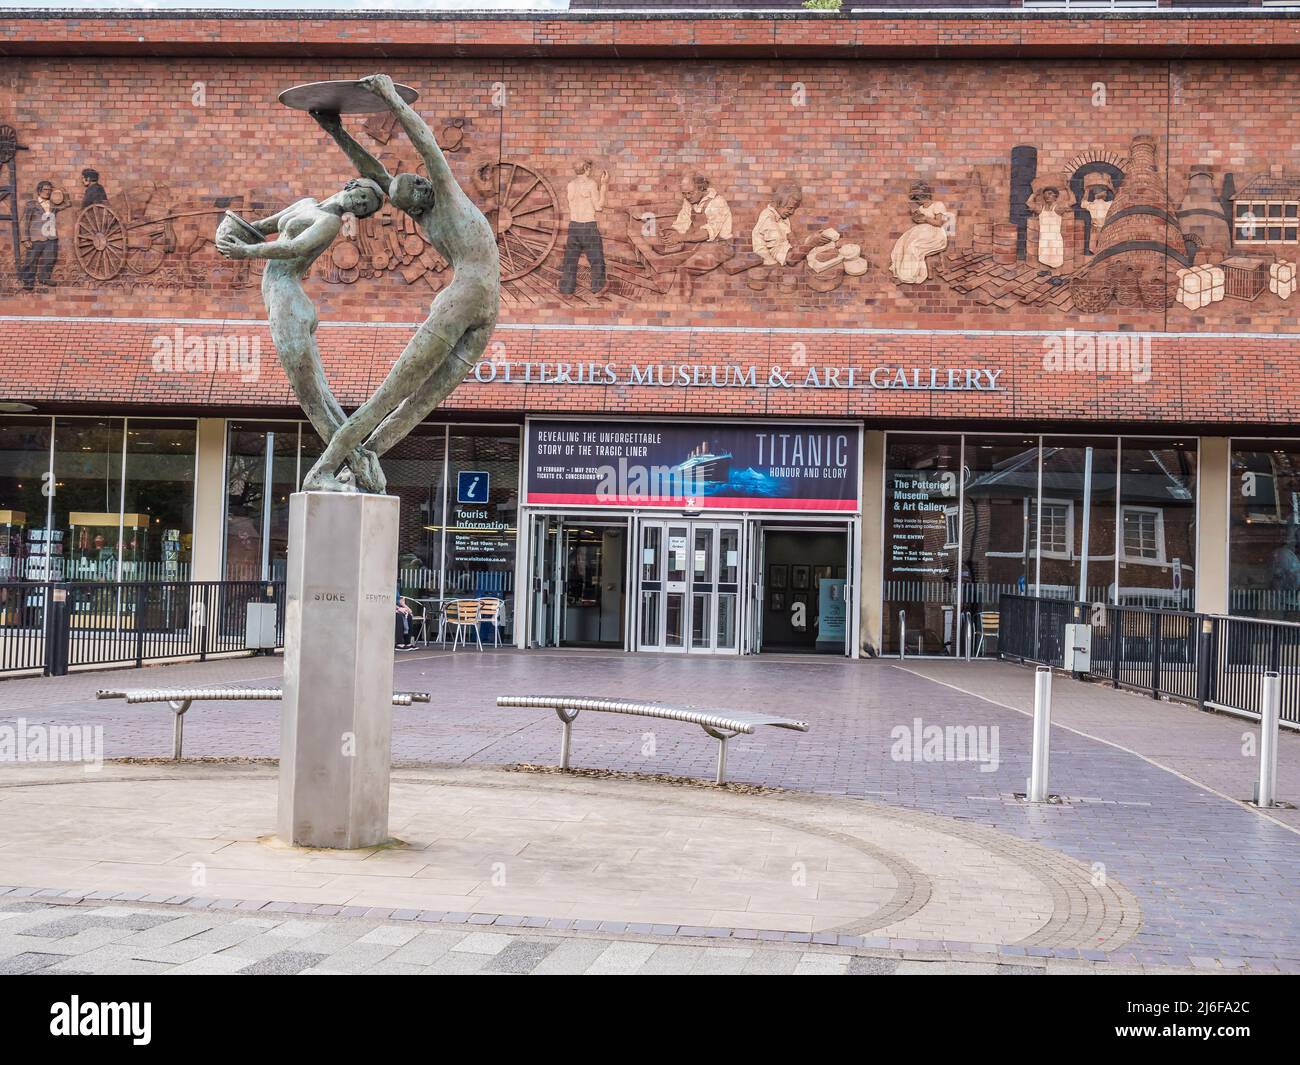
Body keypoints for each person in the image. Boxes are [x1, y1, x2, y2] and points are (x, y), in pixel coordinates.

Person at [305, 73, 500, 491]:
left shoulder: (447, 199)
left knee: (415, 401)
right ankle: (330, 468)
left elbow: (425, 143)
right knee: (399, 395)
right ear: (420, 197)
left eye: (416, 181)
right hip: (470, 300)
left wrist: (391, 99)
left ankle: (352, 464)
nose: (424, 179)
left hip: (477, 305)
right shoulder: (431, 209)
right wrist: (337, 131)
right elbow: (375, 174)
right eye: (417, 185)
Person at [215, 178, 387, 492]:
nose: (361, 207)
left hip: (288, 301)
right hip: (284, 300)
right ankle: (360, 462)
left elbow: (293, 248)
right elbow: (262, 225)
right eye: (363, 198)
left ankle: (339, 469)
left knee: (311, 398)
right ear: (350, 187)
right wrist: (232, 236)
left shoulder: (329, 222)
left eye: (366, 209)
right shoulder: (307, 204)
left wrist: (247, 252)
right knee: (320, 396)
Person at [751, 184, 832, 267]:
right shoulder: (768, 220)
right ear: (778, 203)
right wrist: (811, 243)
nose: (792, 212)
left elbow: (793, 241)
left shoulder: (781, 216)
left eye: (794, 209)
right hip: (771, 267)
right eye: (790, 208)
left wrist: (810, 239)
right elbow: (790, 259)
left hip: (783, 260)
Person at [559, 159, 608, 295]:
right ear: (586, 169)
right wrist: (604, 185)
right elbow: (598, 207)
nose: (590, 170)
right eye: (589, 168)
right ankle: (598, 288)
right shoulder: (591, 184)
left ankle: (566, 289)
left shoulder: (570, 185)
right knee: (596, 259)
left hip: (574, 226)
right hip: (588, 227)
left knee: (570, 260)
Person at [889, 181, 952, 285]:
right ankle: (901, 272)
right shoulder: (920, 208)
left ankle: (907, 276)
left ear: (925, 195)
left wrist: (925, 218)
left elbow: (939, 223)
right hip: (922, 232)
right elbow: (918, 221)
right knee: (903, 243)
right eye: (917, 199)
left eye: (919, 199)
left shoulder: (937, 204)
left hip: (935, 235)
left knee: (913, 246)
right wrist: (916, 217)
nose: (918, 201)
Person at [19, 181, 67, 290]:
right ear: (39, 190)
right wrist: (25, 239)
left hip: (51, 237)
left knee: (50, 258)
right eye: (45, 189)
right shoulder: (31, 204)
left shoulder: (53, 204)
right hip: (36, 237)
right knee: (31, 260)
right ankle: (28, 281)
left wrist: (62, 192)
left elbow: (67, 204)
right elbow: (25, 222)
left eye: (49, 190)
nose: (48, 192)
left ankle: (44, 277)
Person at [395, 581, 416, 650]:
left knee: (409, 616)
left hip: (397, 608)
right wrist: (398, 608)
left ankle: (407, 642)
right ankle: (399, 643)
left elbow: (399, 602)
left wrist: (405, 607)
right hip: (389, 609)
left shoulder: (395, 589)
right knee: (399, 617)